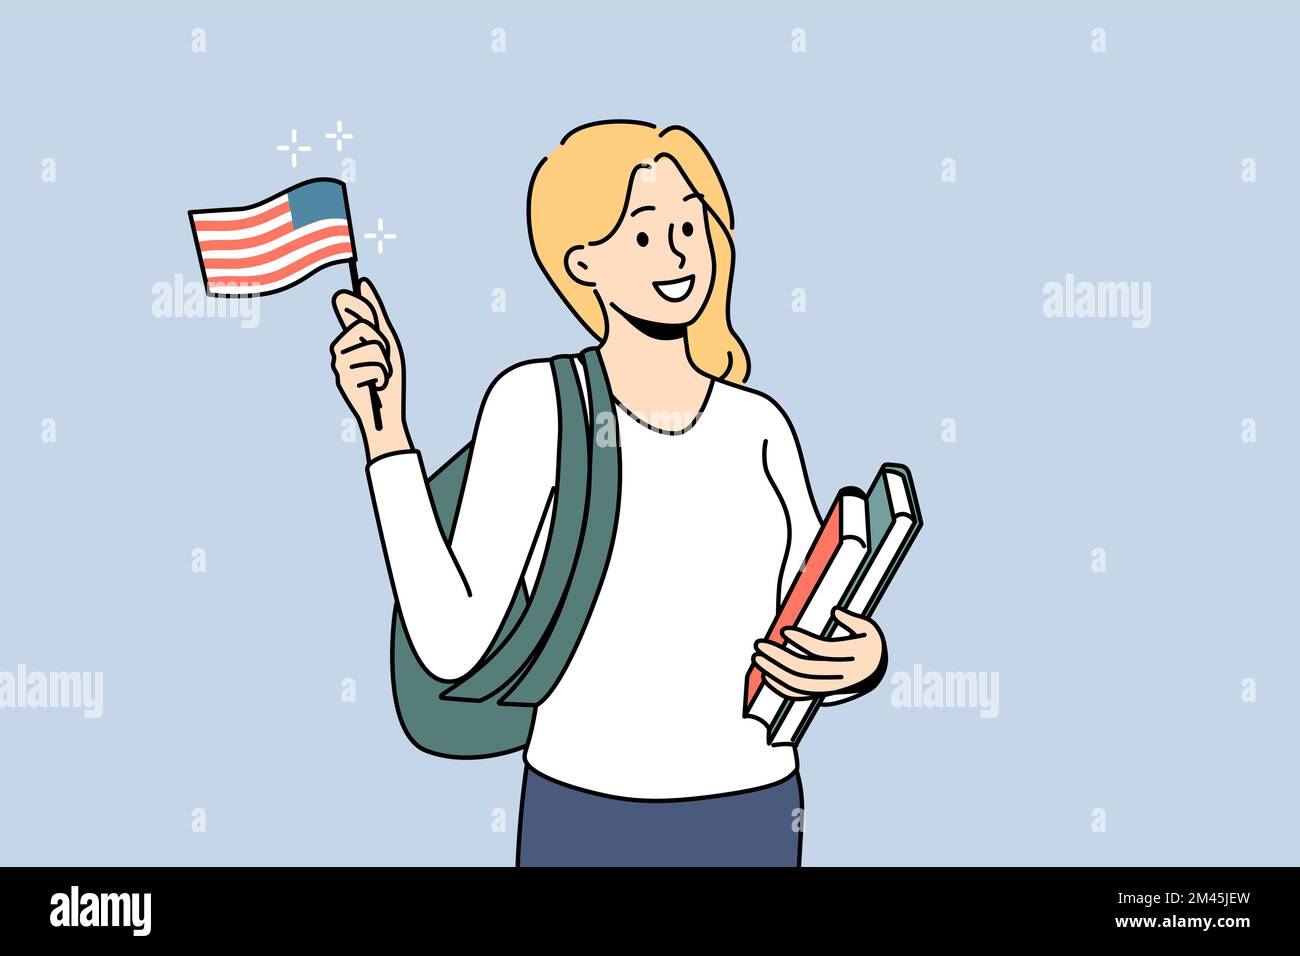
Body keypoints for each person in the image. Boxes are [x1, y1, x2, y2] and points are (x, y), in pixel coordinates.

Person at [330, 120, 890, 866]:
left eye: (690, 223)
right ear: (582, 262)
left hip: (755, 807)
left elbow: (804, 613)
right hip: (587, 813)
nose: (678, 252)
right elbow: (451, 643)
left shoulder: (759, 425)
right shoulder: (537, 405)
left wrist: (861, 661)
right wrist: (386, 436)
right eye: (645, 234)